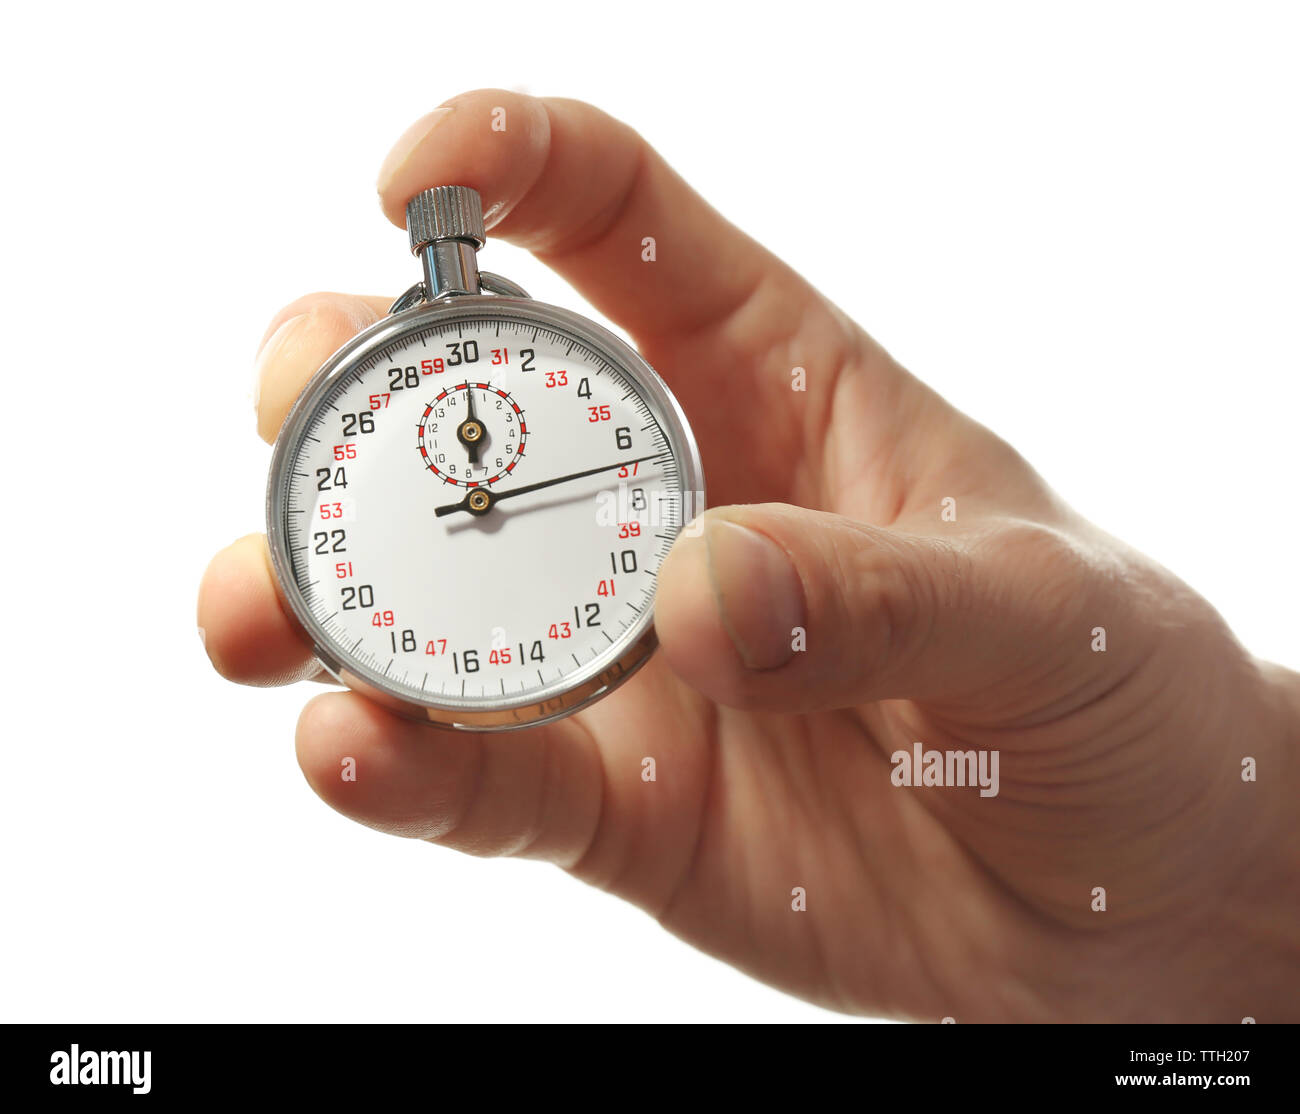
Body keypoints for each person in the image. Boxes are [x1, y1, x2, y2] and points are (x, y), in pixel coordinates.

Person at [197, 89, 1299, 1022]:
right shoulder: (375, 462)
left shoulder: (641, 461)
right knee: (278, 608)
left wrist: (1220, 893)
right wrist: (1187, 933)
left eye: (494, 479)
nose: (479, 490)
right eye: (466, 492)